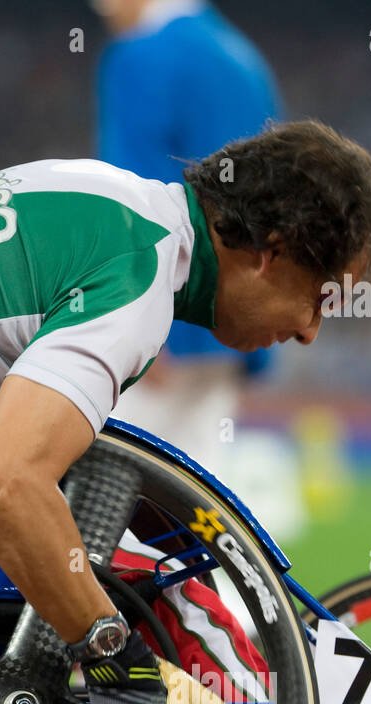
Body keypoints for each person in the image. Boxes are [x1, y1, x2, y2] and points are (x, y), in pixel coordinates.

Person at [0, 119, 371, 704]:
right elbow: (4, 486)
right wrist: (113, 654)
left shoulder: (120, 202)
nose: (309, 332)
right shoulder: (138, 276)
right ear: (271, 252)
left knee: (165, 544)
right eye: (319, 300)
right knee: (182, 601)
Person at [94, 0, 281, 474]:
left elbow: (130, 195)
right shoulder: (246, 61)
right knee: (198, 493)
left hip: (164, 320)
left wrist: (135, 319)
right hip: (232, 324)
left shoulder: (140, 55)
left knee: (105, 491)